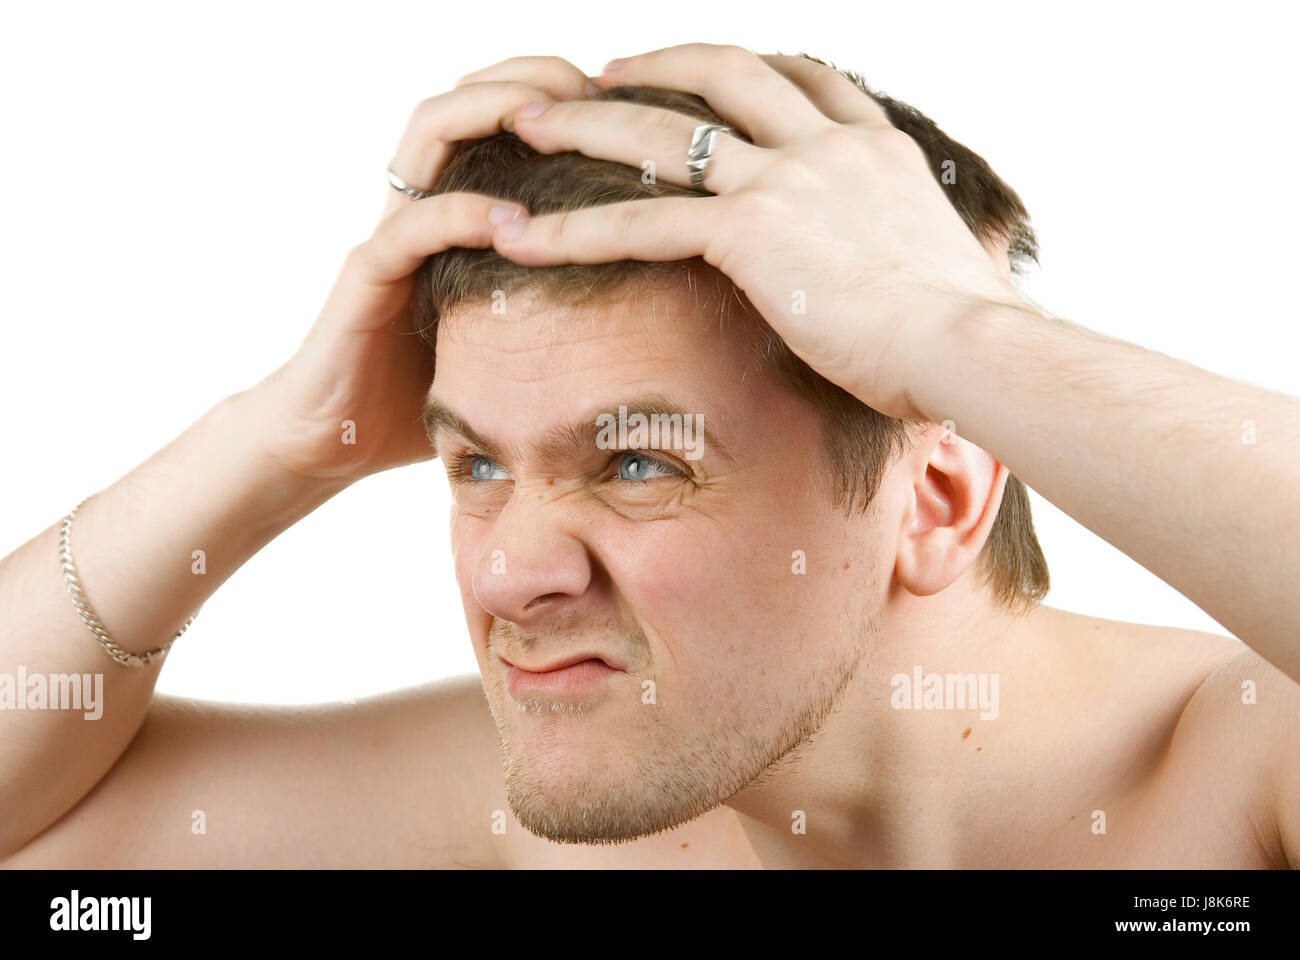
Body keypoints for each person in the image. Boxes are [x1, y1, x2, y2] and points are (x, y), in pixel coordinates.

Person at [2, 44, 1296, 869]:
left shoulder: (1239, 772)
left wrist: (951, 335)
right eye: (476, 466)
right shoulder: (558, 808)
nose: (509, 578)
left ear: (940, 496)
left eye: (635, 466)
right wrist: (282, 435)